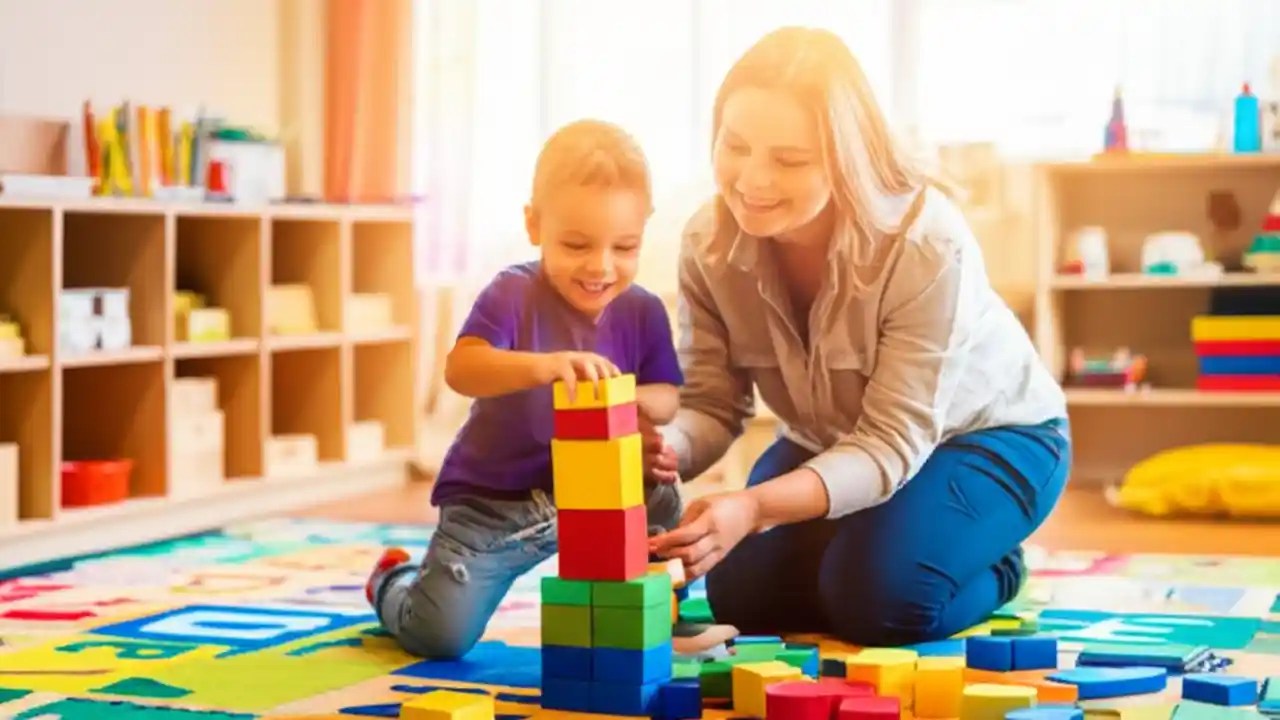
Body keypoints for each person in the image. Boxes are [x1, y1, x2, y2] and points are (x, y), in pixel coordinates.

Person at [645, 27, 1071, 648]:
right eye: (734, 146)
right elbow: (713, 402)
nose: (751, 179)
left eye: (789, 159)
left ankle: (995, 562)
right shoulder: (709, 241)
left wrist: (758, 506)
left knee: (880, 603)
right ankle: (893, 542)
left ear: (846, 158)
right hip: (838, 439)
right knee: (741, 592)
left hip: (991, 437)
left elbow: (891, 441)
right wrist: (664, 448)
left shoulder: (926, 245)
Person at [365, 119, 685, 659]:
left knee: (664, 497)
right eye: (577, 244)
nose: (601, 267)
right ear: (534, 224)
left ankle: (659, 610)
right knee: (439, 637)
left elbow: (667, 396)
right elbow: (462, 369)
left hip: (595, 495)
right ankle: (394, 583)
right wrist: (545, 367)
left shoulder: (644, 310)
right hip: (496, 508)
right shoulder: (512, 292)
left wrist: (623, 401)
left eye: (624, 246)